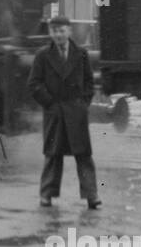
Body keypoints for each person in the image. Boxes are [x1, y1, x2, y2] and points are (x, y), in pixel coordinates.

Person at [27, 14, 101, 209]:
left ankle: (92, 196)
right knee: (53, 154)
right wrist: (50, 105)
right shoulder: (42, 55)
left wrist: (83, 105)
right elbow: (34, 84)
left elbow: (89, 83)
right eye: (54, 31)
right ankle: (46, 195)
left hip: (76, 112)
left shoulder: (81, 54)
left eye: (61, 31)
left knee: (83, 155)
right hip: (55, 112)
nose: (58, 35)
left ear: (69, 31)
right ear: (50, 33)